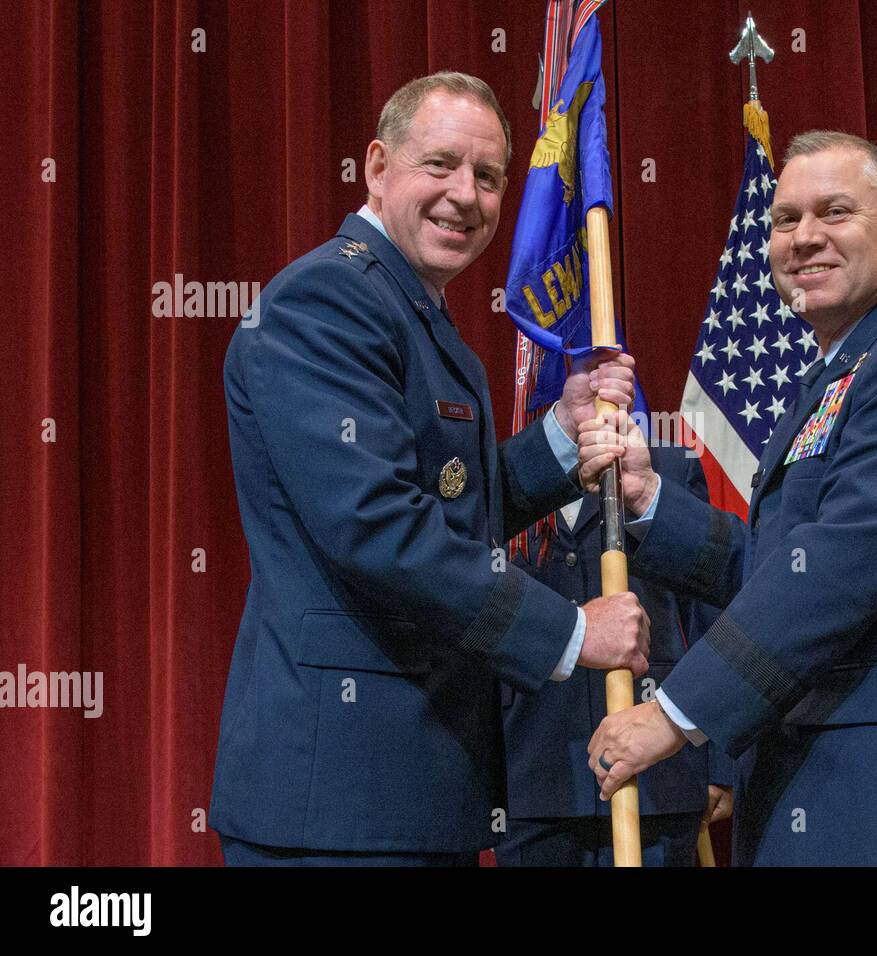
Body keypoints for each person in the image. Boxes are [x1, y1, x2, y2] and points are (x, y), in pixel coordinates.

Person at [579, 131, 877, 866]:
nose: (804, 237)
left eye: (835, 212)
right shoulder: (835, 375)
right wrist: (650, 498)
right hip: (828, 799)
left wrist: (674, 715)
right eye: (786, 220)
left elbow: (840, 566)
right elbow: (782, 568)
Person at [209, 72, 649, 866]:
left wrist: (562, 433)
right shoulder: (327, 301)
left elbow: (452, 507)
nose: (465, 196)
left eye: (487, 176)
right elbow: (378, 527)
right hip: (340, 799)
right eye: (440, 165)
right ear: (378, 168)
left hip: (411, 786)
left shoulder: (412, 311)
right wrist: (572, 630)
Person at [497, 443, 733, 866]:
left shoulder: (668, 468)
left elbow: (709, 613)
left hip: (660, 774)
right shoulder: (507, 468)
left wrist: (720, 763)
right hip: (532, 765)